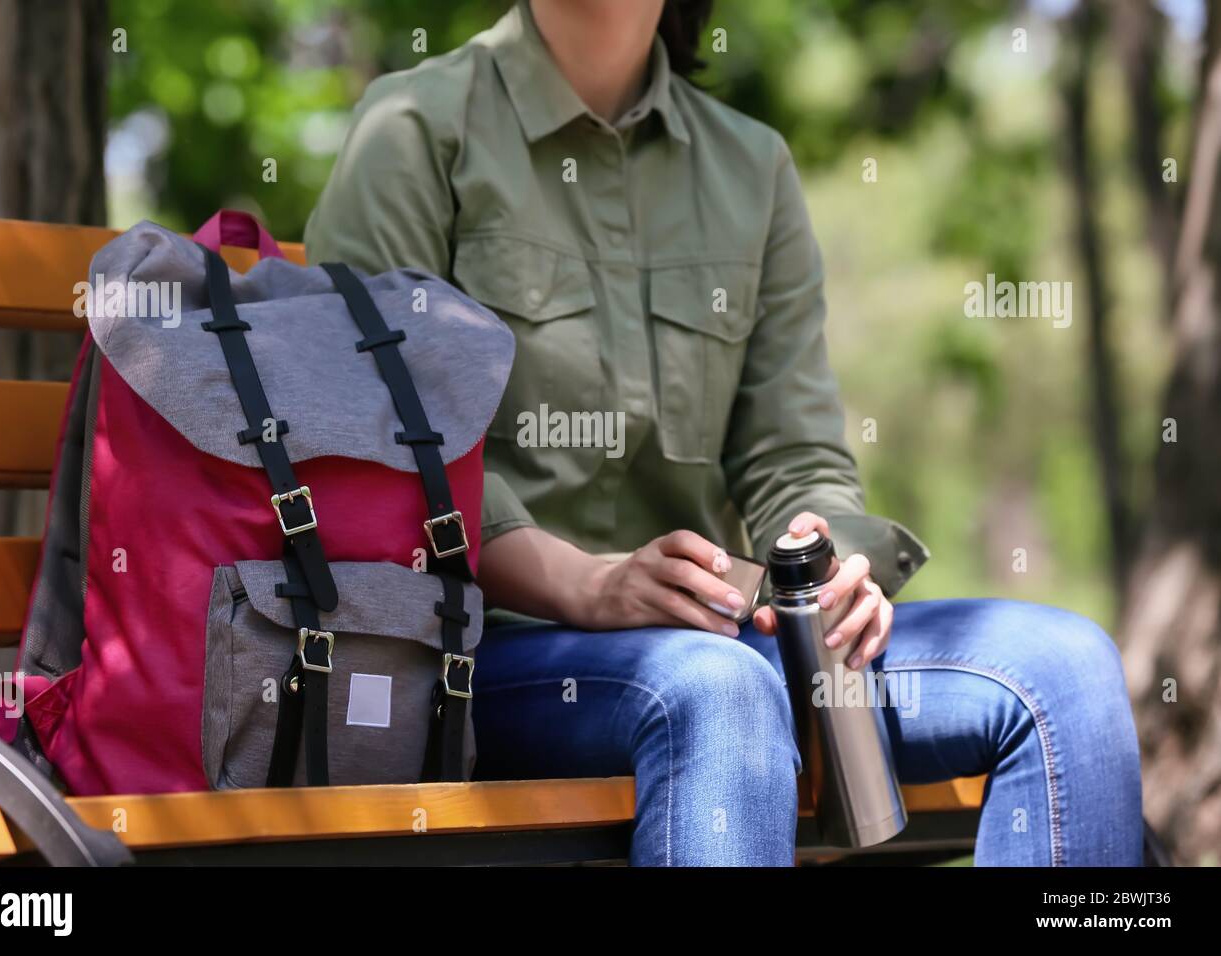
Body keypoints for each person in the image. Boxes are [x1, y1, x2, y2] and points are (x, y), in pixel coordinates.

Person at [306, 0, 1142, 865]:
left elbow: (792, 452)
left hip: (729, 637)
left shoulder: (753, 167)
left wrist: (826, 561)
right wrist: (588, 585)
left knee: (1067, 670)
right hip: (491, 657)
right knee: (721, 688)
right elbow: (388, 441)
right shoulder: (414, 131)